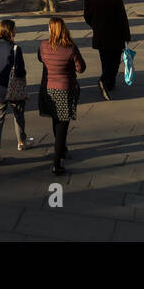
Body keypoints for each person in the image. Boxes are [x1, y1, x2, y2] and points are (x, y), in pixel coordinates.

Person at [38, 17, 86, 175]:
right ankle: (56, 163)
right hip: (65, 90)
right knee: (62, 128)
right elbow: (81, 68)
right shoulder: (70, 48)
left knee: (55, 119)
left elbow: (40, 59)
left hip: (48, 89)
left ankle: (62, 148)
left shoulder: (43, 45)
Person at [0, 19, 33, 164]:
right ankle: (21, 142)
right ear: (10, 31)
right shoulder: (15, 49)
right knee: (18, 115)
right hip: (13, 88)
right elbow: (20, 71)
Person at [82, 0, 130, 100]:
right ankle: (104, 80)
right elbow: (122, 19)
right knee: (114, 62)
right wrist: (127, 37)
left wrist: (95, 25)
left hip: (100, 35)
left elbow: (87, 16)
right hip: (115, 36)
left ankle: (109, 83)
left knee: (105, 60)